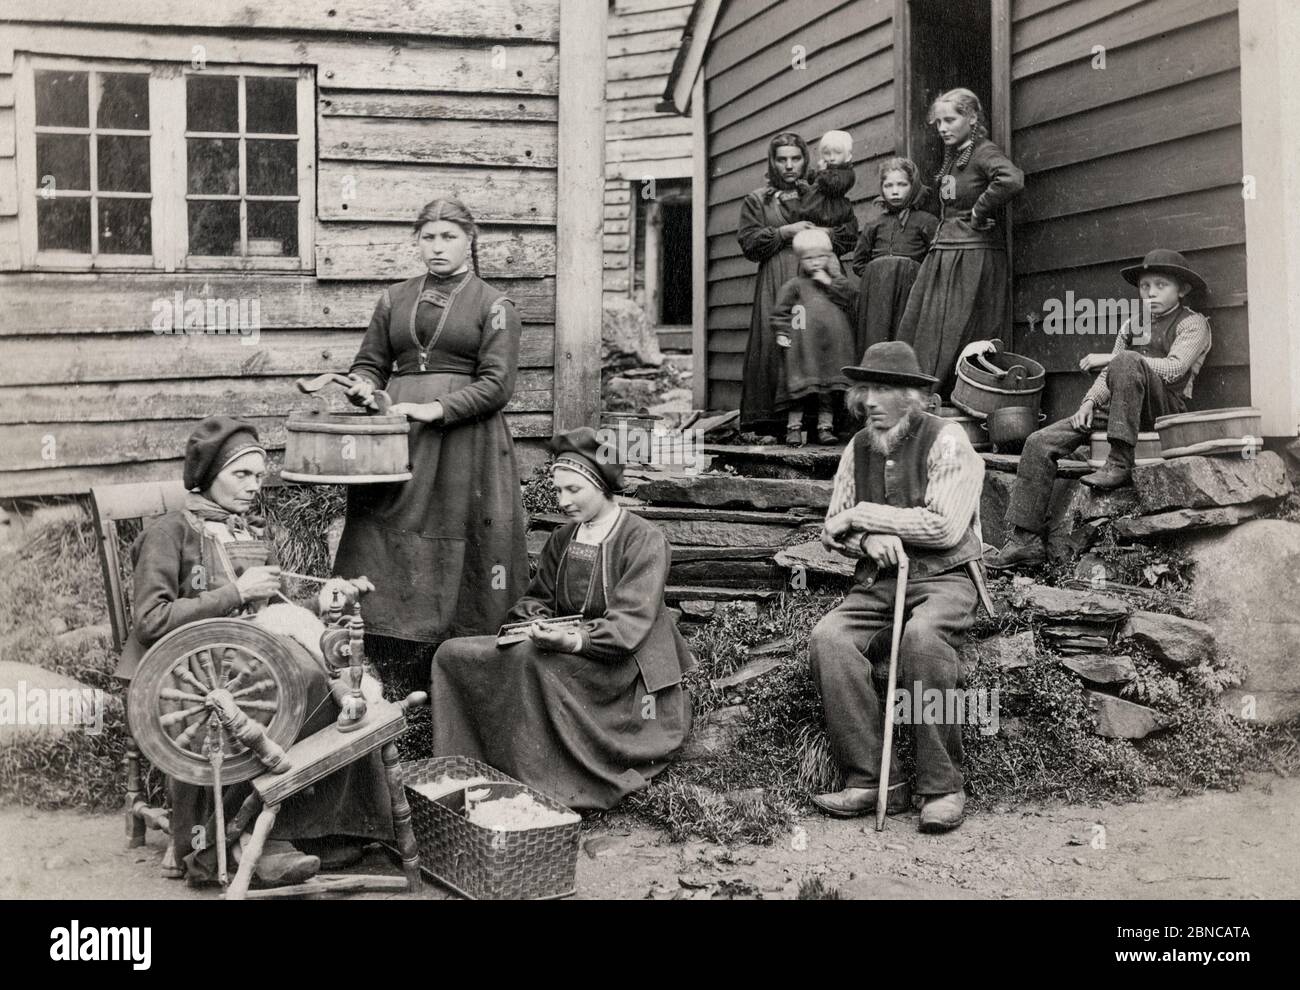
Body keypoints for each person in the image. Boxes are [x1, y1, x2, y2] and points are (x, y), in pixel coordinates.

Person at [117, 417, 393, 886]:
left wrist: (315, 603)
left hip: (243, 657)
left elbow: (271, 612)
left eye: (258, 476)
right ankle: (251, 841)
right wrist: (236, 593)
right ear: (208, 476)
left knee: (333, 667)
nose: (253, 487)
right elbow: (150, 621)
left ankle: (321, 828)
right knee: (299, 678)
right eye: (240, 475)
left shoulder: (245, 533)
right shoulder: (171, 533)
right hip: (184, 675)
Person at [428, 428, 695, 811]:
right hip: (565, 647)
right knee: (452, 654)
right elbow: (535, 600)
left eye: (574, 490)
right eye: (558, 491)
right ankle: (466, 771)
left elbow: (629, 629)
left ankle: (540, 783)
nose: (563, 501)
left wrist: (569, 640)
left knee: (528, 660)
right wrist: (537, 623)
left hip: (622, 668)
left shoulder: (644, 540)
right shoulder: (563, 537)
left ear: (602, 486)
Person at [333, 197, 530, 694]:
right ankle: (385, 657)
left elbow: (497, 386)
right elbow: (372, 363)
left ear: (469, 241)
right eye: (428, 236)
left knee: (458, 533)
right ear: (416, 241)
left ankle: (462, 664)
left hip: (466, 444)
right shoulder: (393, 299)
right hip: (397, 442)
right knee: (384, 532)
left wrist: (434, 408)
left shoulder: (494, 306)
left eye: (448, 236)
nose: (437, 246)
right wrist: (361, 384)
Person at [808, 342, 984, 832]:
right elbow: (832, 530)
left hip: (945, 578)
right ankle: (875, 782)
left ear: (913, 396)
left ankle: (942, 786)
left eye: (883, 389)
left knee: (922, 640)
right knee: (830, 640)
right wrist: (867, 539)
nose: (870, 402)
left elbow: (946, 528)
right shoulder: (858, 447)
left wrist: (864, 517)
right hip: (881, 582)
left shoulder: (949, 441)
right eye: (865, 389)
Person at [986, 249, 1213, 569]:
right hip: (1121, 406)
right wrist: (1089, 403)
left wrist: (1114, 360)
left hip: (1165, 410)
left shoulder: (1193, 324)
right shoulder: (1134, 324)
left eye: (1161, 285)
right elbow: (1110, 376)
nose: (1151, 293)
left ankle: (1119, 462)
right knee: (1040, 442)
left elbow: (1174, 369)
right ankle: (1025, 542)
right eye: (1145, 286)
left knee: (1127, 360)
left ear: (1182, 290)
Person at [896, 88, 1023, 395]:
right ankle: (922, 395)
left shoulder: (984, 152)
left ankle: (951, 396)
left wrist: (980, 210)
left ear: (972, 117)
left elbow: (1011, 179)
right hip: (945, 252)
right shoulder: (954, 157)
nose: (942, 128)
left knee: (956, 328)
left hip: (971, 255)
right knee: (928, 327)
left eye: (950, 120)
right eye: (938, 122)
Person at [736, 132, 815, 441]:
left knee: (810, 341)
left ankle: (813, 421)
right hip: (776, 278)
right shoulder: (758, 199)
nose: (789, 166)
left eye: (795, 159)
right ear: (773, 162)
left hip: (810, 278)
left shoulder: (817, 195)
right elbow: (749, 243)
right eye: (782, 159)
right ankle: (770, 421)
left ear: (804, 160)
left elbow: (843, 233)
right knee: (775, 342)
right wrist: (785, 232)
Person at [772, 228, 858, 445]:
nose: (816, 262)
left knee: (827, 389)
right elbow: (781, 311)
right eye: (809, 258)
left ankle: (825, 428)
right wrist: (782, 332)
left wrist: (829, 281)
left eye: (821, 257)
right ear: (801, 259)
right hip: (804, 346)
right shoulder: (795, 286)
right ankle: (793, 428)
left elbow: (849, 298)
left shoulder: (835, 282)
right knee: (801, 388)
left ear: (829, 257)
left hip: (831, 347)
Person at [850, 157, 939, 357]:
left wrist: (909, 273)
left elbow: (934, 259)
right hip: (878, 295)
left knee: (904, 336)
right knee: (876, 338)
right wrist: (880, 274)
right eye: (888, 185)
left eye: (902, 184)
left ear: (913, 185)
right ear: (882, 188)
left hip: (910, 290)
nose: (895, 191)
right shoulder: (875, 225)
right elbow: (858, 263)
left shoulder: (926, 221)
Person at [793, 129, 860, 257]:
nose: (831, 157)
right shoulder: (826, 168)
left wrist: (822, 172)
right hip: (819, 203)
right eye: (827, 153)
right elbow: (814, 180)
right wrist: (813, 174)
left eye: (837, 153)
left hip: (831, 208)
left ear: (848, 156)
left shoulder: (847, 173)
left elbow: (834, 186)